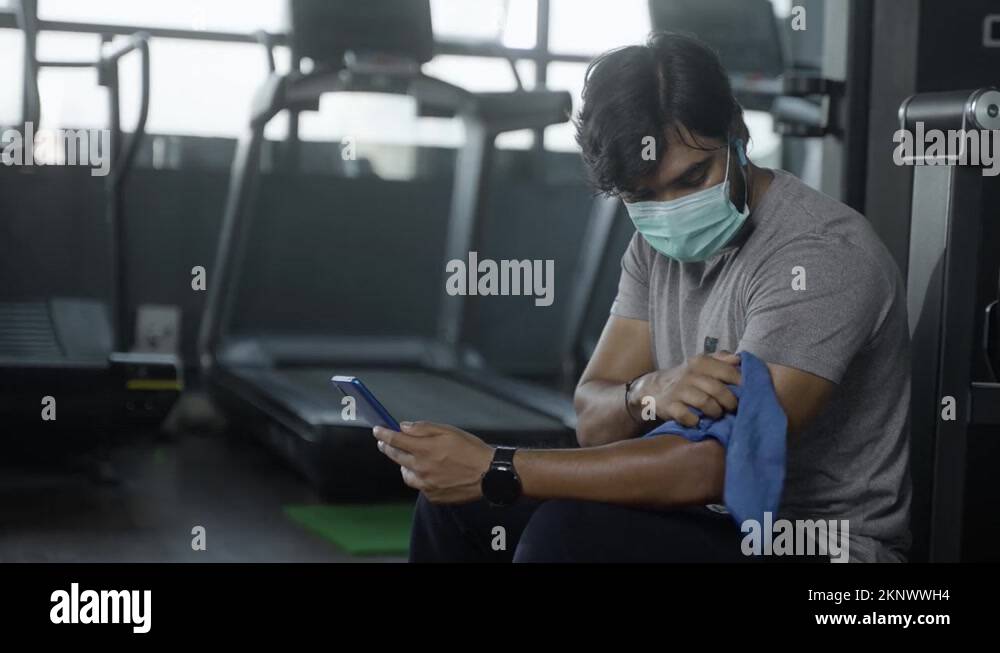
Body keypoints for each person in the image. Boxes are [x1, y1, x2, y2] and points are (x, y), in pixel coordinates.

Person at [373, 32, 912, 563]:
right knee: (456, 509)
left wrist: (498, 468)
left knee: (565, 534)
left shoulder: (818, 254)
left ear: (737, 133)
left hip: (818, 551)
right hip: (702, 518)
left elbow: (717, 467)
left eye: (694, 176)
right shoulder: (654, 247)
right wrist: (645, 390)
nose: (672, 208)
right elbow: (594, 419)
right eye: (643, 195)